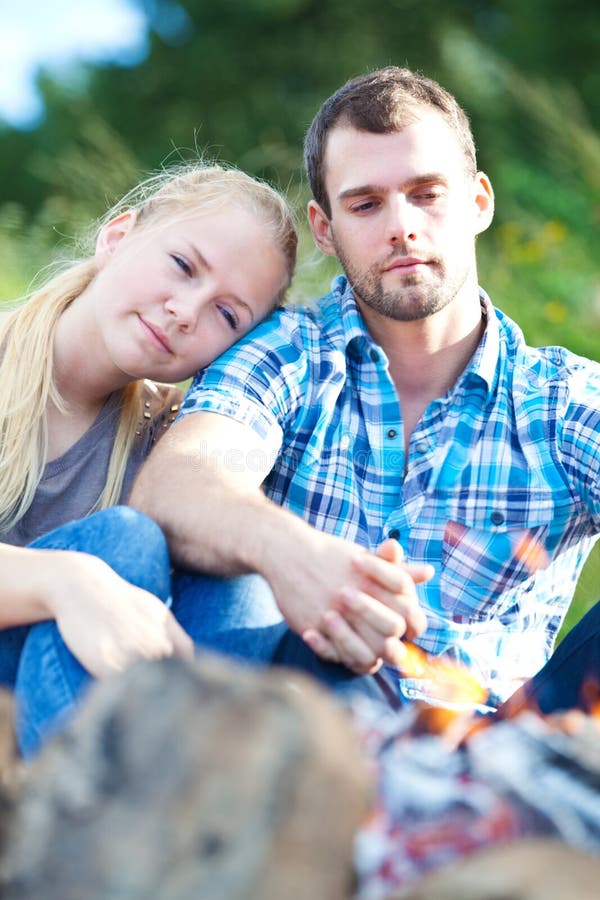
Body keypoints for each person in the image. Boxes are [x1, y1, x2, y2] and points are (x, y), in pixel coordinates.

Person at [129, 65, 600, 715]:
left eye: (427, 193)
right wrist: (295, 556)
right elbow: (175, 483)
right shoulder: (289, 356)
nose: (401, 226)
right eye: (366, 204)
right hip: (308, 723)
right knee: (239, 594)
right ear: (326, 229)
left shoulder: (563, 400)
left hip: (500, 755)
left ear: (478, 202)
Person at [0, 160, 297, 756]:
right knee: (122, 543)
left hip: (71, 713)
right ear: (117, 236)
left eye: (227, 315)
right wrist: (66, 581)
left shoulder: (163, 439)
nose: (186, 311)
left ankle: (154, 821)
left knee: (240, 580)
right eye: (184, 266)